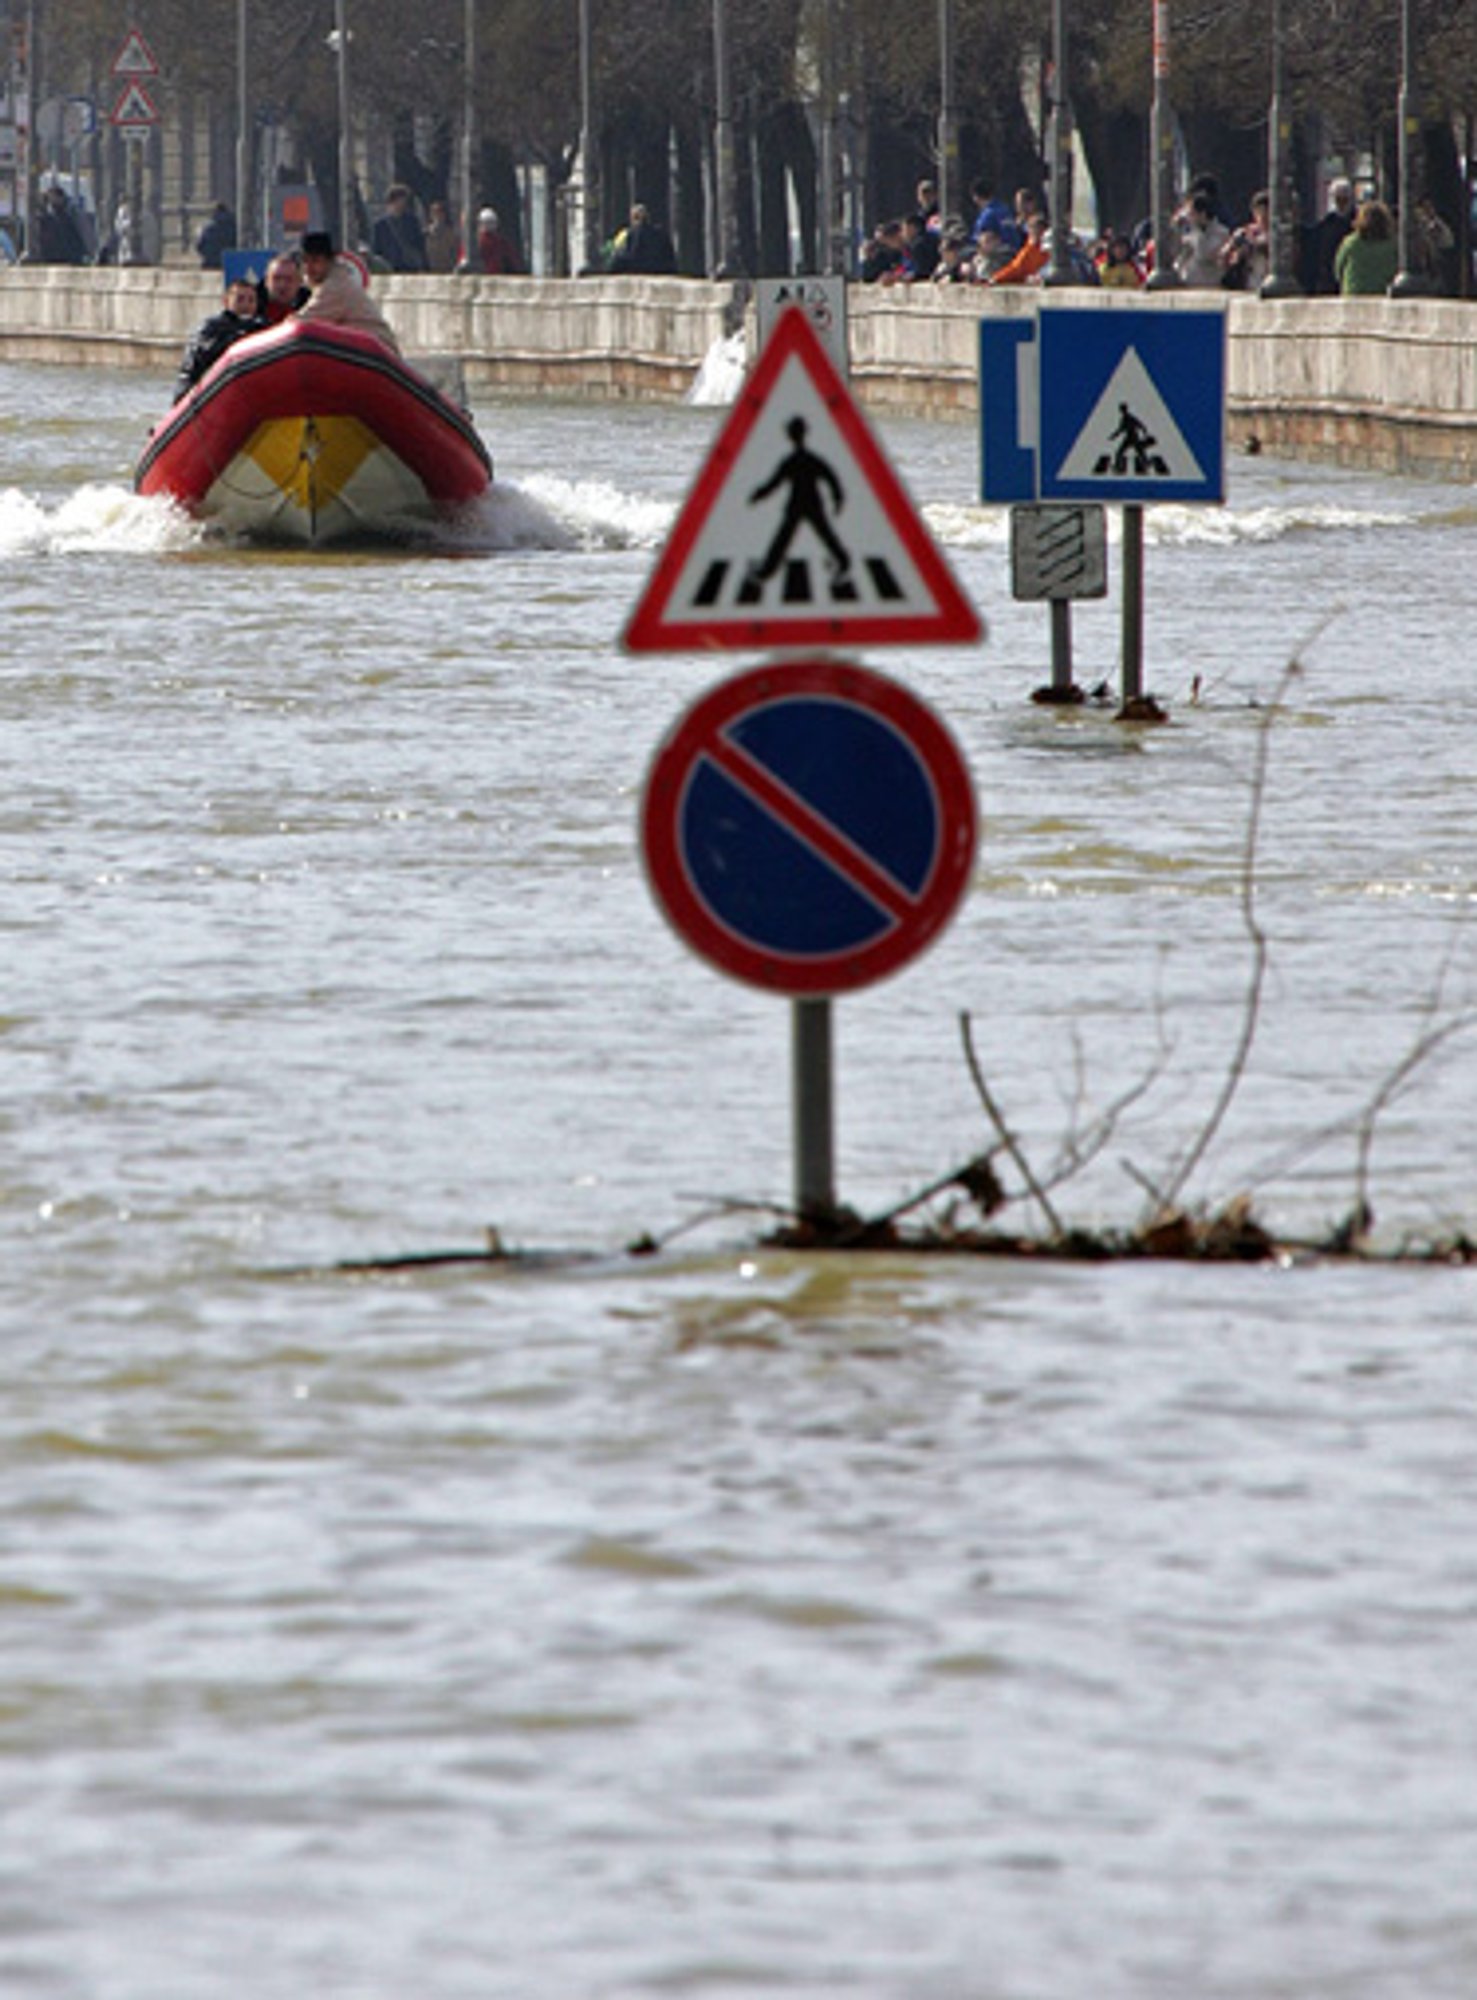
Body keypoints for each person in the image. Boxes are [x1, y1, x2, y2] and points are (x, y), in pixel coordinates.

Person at [294, 230, 403, 355]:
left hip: (378, 354)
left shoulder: (336, 287)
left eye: (315, 261)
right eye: (305, 261)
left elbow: (302, 322)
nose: (309, 268)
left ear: (329, 261)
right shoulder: (334, 281)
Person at [173, 274, 263, 401]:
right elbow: (204, 350)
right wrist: (238, 338)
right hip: (196, 391)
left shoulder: (261, 327)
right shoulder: (211, 326)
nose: (246, 305)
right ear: (226, 302)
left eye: (251, 300)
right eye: (240, 299)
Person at [1302, 177, 1355, 294]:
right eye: (1338, 199)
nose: (1341, 204)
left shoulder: (1358, 223)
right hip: (1328, 280)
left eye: (1344, 199)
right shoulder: (1325, 225)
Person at [1335, 199, 1399, 295]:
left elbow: (1338, 270)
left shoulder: (1351, 242)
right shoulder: (1392, 244)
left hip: (1354, 293)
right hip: (1381, 293)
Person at [1174, 190, 1231, 287]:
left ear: (1202, 214)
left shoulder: (1221, 233)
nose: (1189, 217)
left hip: (1211, 283)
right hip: (1190, 281)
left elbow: (1204, 254)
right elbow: (1178, 257)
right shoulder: (1190, 233)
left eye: (1192, 213)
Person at [370, 184, 427, 273]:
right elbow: (377, 248)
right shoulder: (380, 225)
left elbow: (419, 245)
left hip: (409, 266)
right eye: (399, 201)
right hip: (390, 266)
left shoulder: (412, 222)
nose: (402, 204)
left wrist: (424, 265)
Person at [1221, 191, 1270, 292]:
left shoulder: (1280, 235)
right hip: (1248, 284)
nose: (1262, 217)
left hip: (1268, 282)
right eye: (1259, 212)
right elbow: (1223, 256)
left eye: (1266, 212)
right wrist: (1236, 249)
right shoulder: (1245, 232)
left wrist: (1255, 245)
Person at [608, 202, 677, 274]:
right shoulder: (661, 233)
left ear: (634, 217)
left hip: (639, 267)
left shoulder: (632, 233)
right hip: (659, 267)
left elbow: (631, 253)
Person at [35, 186, 87, 265]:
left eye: (53, 198)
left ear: (60, 198)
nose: (52, 201)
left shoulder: (70, 214)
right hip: (53, 257)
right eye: (49, 199)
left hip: (68, 256)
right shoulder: (51, 216)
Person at [466, 207, 522, 275]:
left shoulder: (500, 243)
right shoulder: (476, 243)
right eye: (486, 222)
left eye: (490, 222)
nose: (487, 225)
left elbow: (513, 262)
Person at [260, 251, 308, 324]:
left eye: (288, 279)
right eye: (276, 278)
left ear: (299, 282)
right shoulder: (249, 306)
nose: (282, 285)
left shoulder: (313, 308)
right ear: (266, 281)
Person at [195, 200, 236, 270]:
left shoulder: (208, 226)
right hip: (228, 261)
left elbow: (199, 246)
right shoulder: (234, 226)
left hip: (210, 261)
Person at [424, 199, 458, 275]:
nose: (437, 216)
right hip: (430, 271)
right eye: (434, 213)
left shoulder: (451, 234)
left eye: (440, 213)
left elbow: (454, 253)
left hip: (447, 270)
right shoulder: (426, 234)